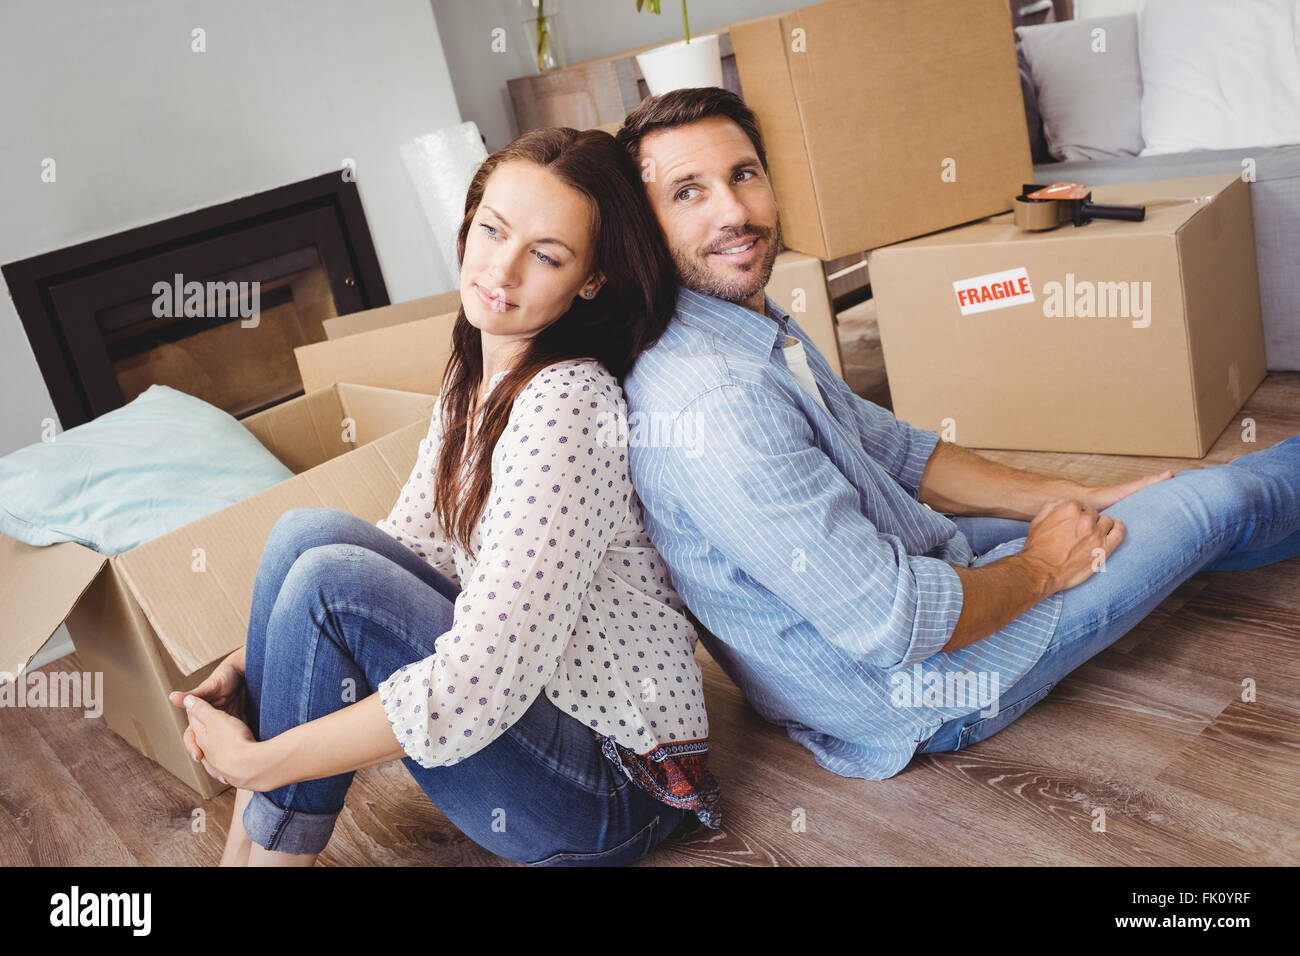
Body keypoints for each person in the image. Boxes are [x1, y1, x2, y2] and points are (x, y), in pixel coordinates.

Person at [615, 87, 1300, 780]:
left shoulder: (738, 324)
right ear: (646, 226)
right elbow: (896, 622)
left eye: (742, 175)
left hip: (919, 575)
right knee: (1219, 504)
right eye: (687, 193)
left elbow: (894, 449)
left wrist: (1072, 494)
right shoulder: (717, 401)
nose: (733, 212)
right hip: (914, 686)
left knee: (1170, 506)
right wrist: (1041, 567)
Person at [167, 126, 722, 866]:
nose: (502, 269)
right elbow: (415, 540)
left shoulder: (567, 404)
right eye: (493, 230)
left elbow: (479, 684)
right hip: (545, 725)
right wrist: (253, 660)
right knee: (305, 536)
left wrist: (261, 762)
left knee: (332, 583)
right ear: (468, 225)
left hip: (614, 792)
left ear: (590, 279)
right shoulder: (479, 368)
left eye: (547, 256)